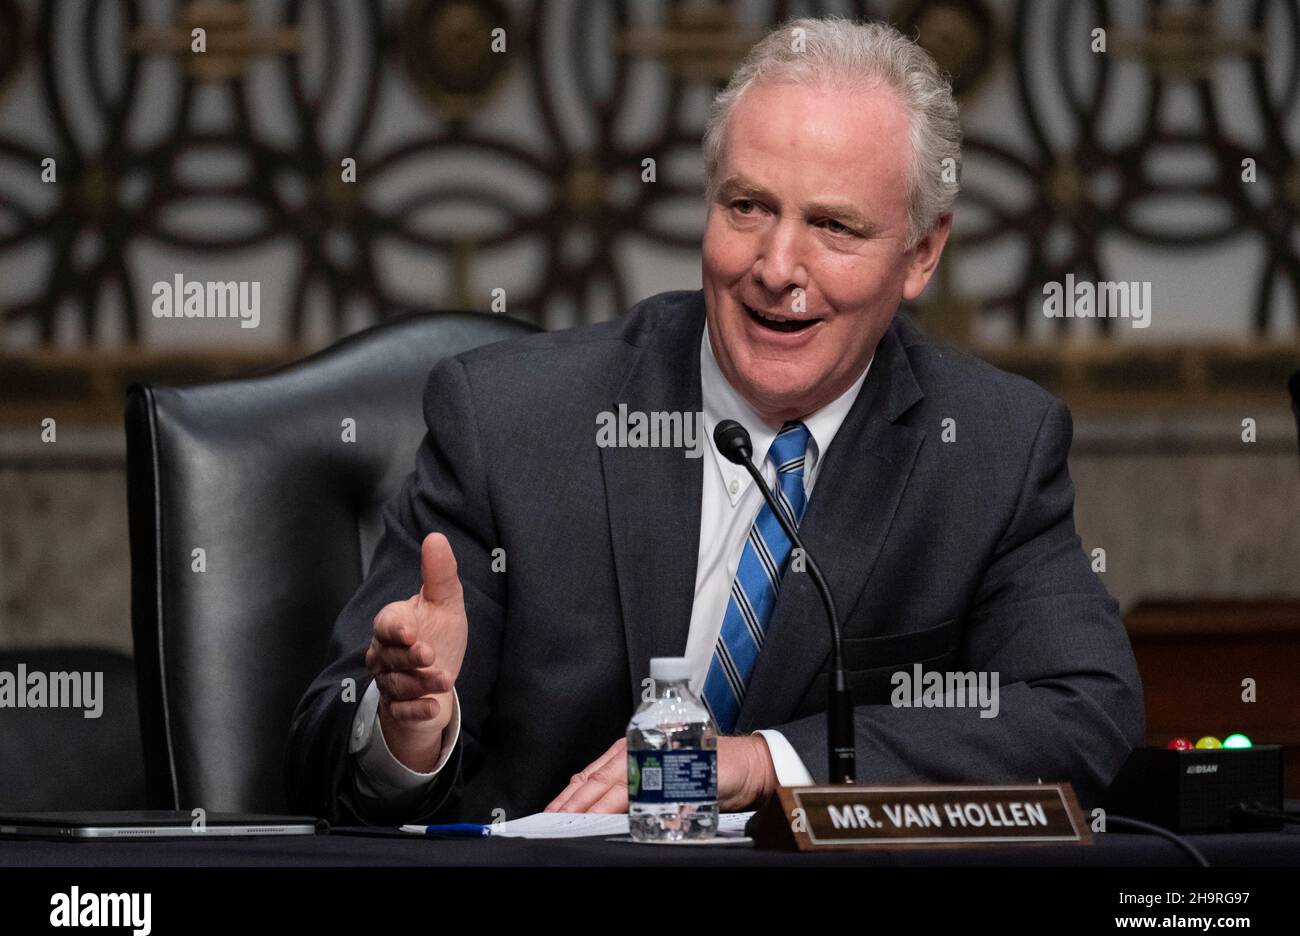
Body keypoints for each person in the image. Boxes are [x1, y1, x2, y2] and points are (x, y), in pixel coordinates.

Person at [286, 16, 1144, 825]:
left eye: (833, 226)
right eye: (748, 208)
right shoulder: (510, 423)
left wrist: (768, 762)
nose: (777, 267)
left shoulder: (989, 448)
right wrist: (409, 731)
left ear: (922, 253)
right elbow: (322, 747)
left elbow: (1082, 713)